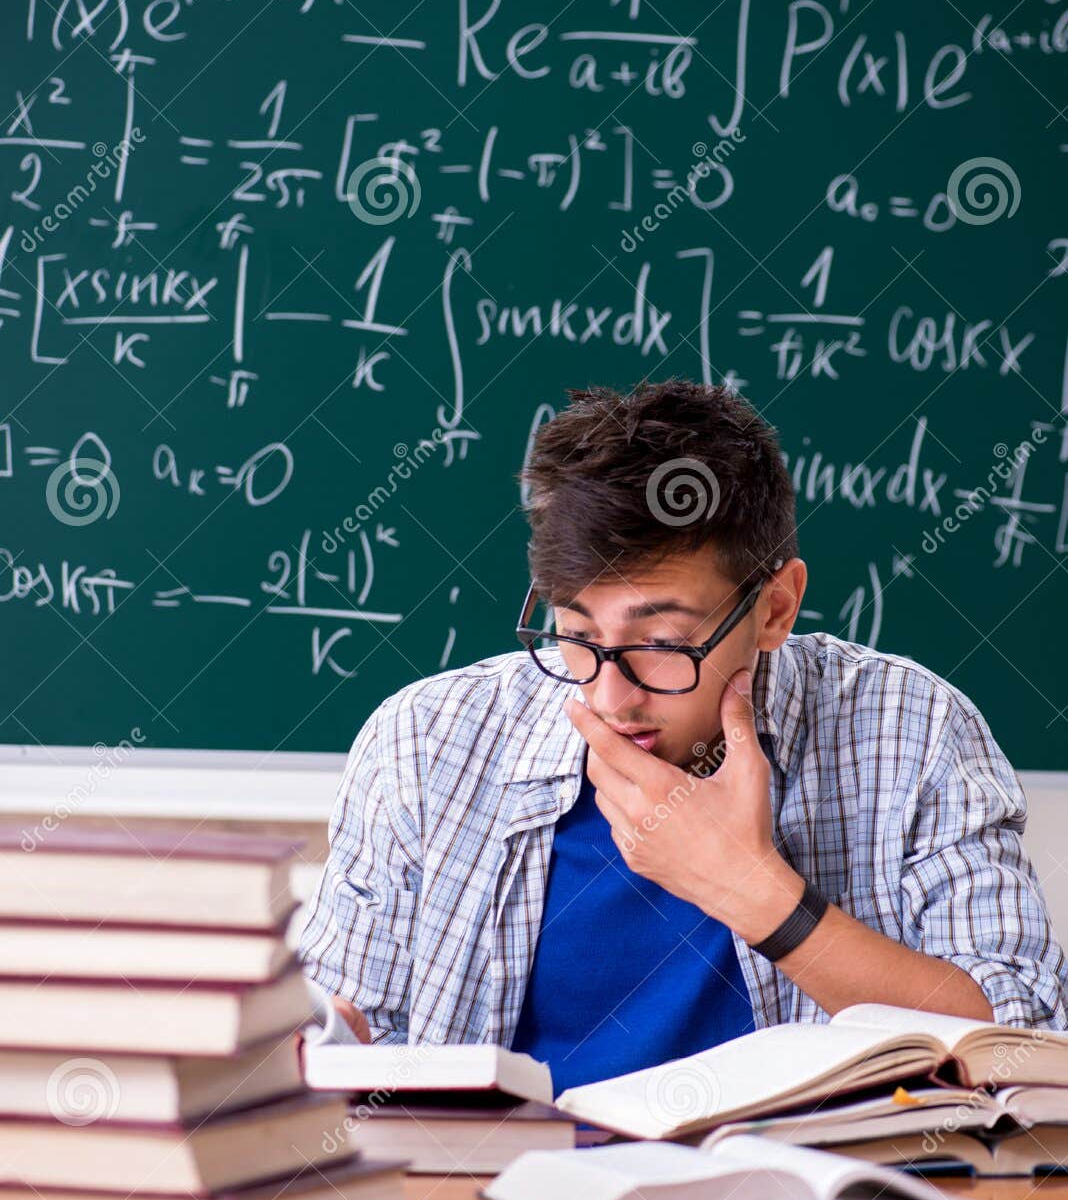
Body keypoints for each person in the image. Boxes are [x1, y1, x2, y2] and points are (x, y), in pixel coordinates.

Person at [299, 379, 1068, 1091]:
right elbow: (351, 1044)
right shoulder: (425, 741)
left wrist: (754, 893)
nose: (610, 695)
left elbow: (1023, 1044)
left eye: (663, 643)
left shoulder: (914, 729)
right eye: (575, 633)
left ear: (775, 609)